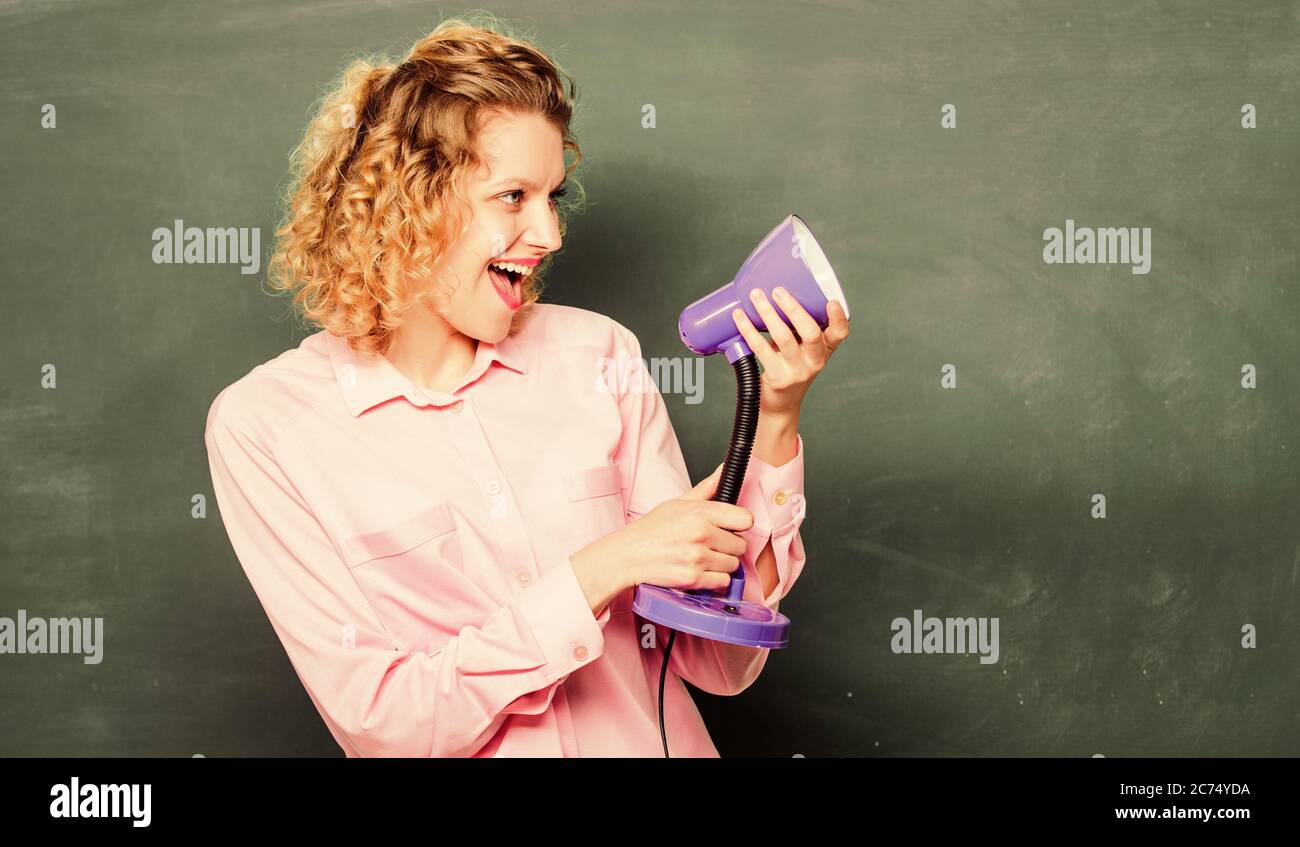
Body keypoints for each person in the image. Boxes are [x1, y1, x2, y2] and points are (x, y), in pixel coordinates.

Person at [203, 16, 849, 757]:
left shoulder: (597, 354)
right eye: (513, 196)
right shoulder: (266, 429)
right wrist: (605, 565)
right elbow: (386, 725)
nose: (550, 233)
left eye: (553, 196)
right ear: (409, 203)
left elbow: (719, 663)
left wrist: (775, 416)